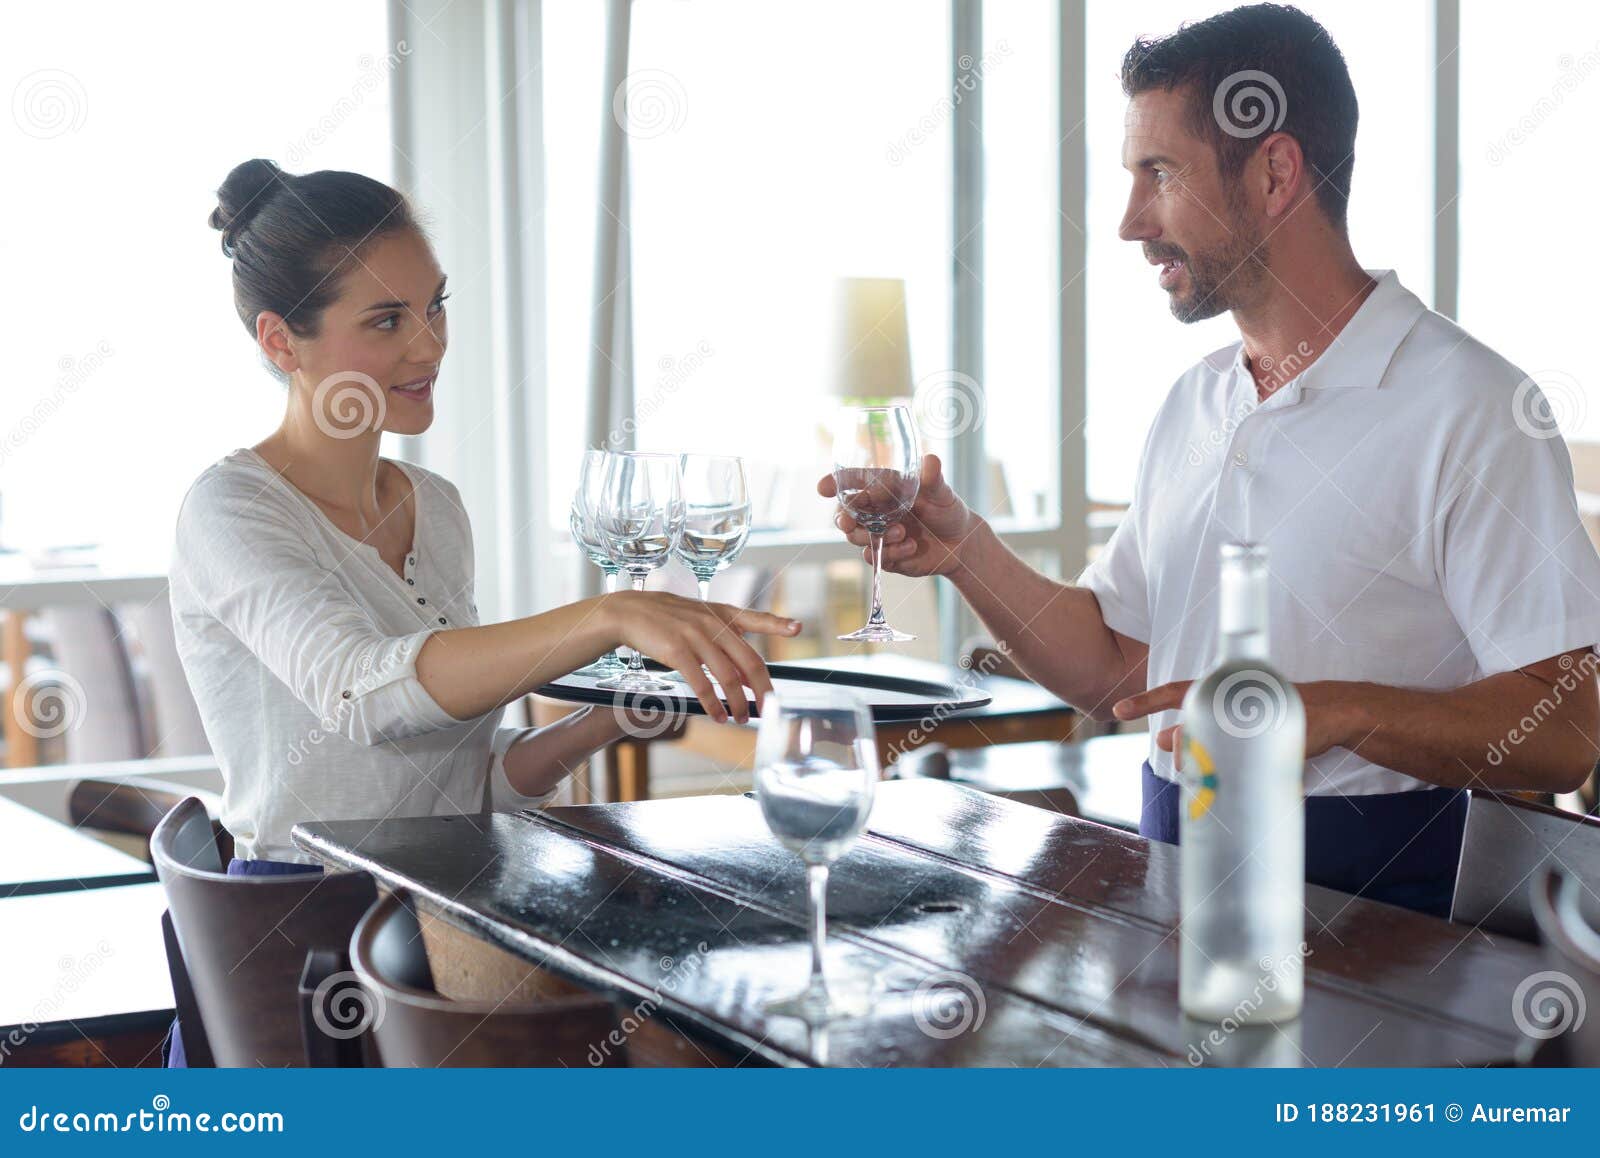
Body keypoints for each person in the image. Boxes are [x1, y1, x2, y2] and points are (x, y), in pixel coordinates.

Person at [822, 4, 1600, 919]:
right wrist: (966, 553)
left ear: (1275, 172)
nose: (1128, 222)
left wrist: (1333, 710)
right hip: (1174, 888)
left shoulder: (1472, 408)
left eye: (1159, 173)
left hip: (1389, 922)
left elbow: (1571, 729)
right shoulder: (1196, 400)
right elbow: (1123, 665)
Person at [163, 158, 800, 1065]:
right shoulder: (232, 510)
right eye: (387, 320)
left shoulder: (437, 506)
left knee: (721, 1025)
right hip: (317, 960)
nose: (429, 347)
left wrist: (611, 714)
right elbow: (365, 697)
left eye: (435, 306)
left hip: (443, 910)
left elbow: (460, 783)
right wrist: (606, 616)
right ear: (281, 341)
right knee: (682, 1049)